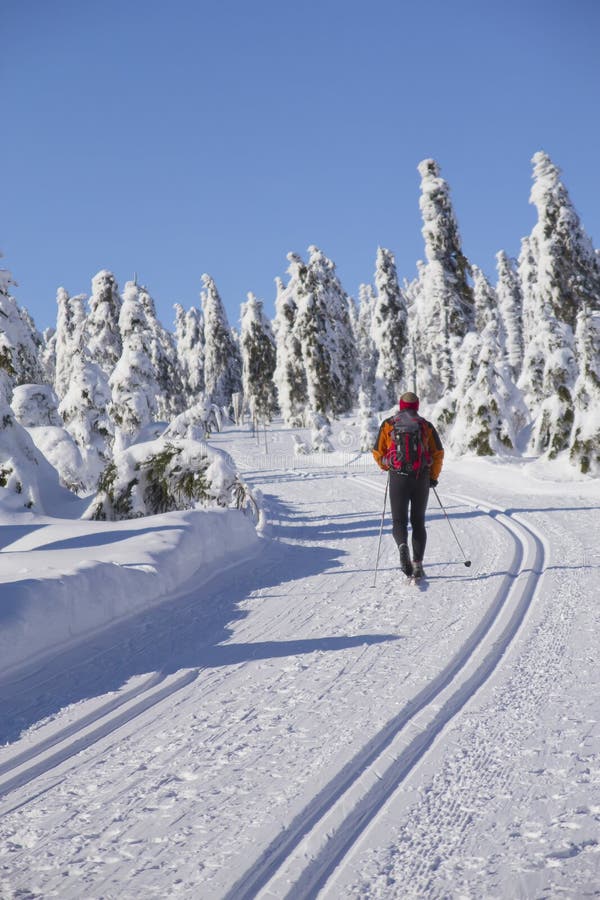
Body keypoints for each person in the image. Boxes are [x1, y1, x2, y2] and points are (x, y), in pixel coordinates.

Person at [372, 391, 444, 578]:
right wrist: (433, 477)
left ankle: (402, 545)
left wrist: (387, 465)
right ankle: (418, 565)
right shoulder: (426, 426)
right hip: (421, 477)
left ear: (400, 405)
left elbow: (377, 451)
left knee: (399, 520)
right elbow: (438, 453)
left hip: (398, 477)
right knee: (418, 521)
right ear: (417, 406)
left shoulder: (389, 424)